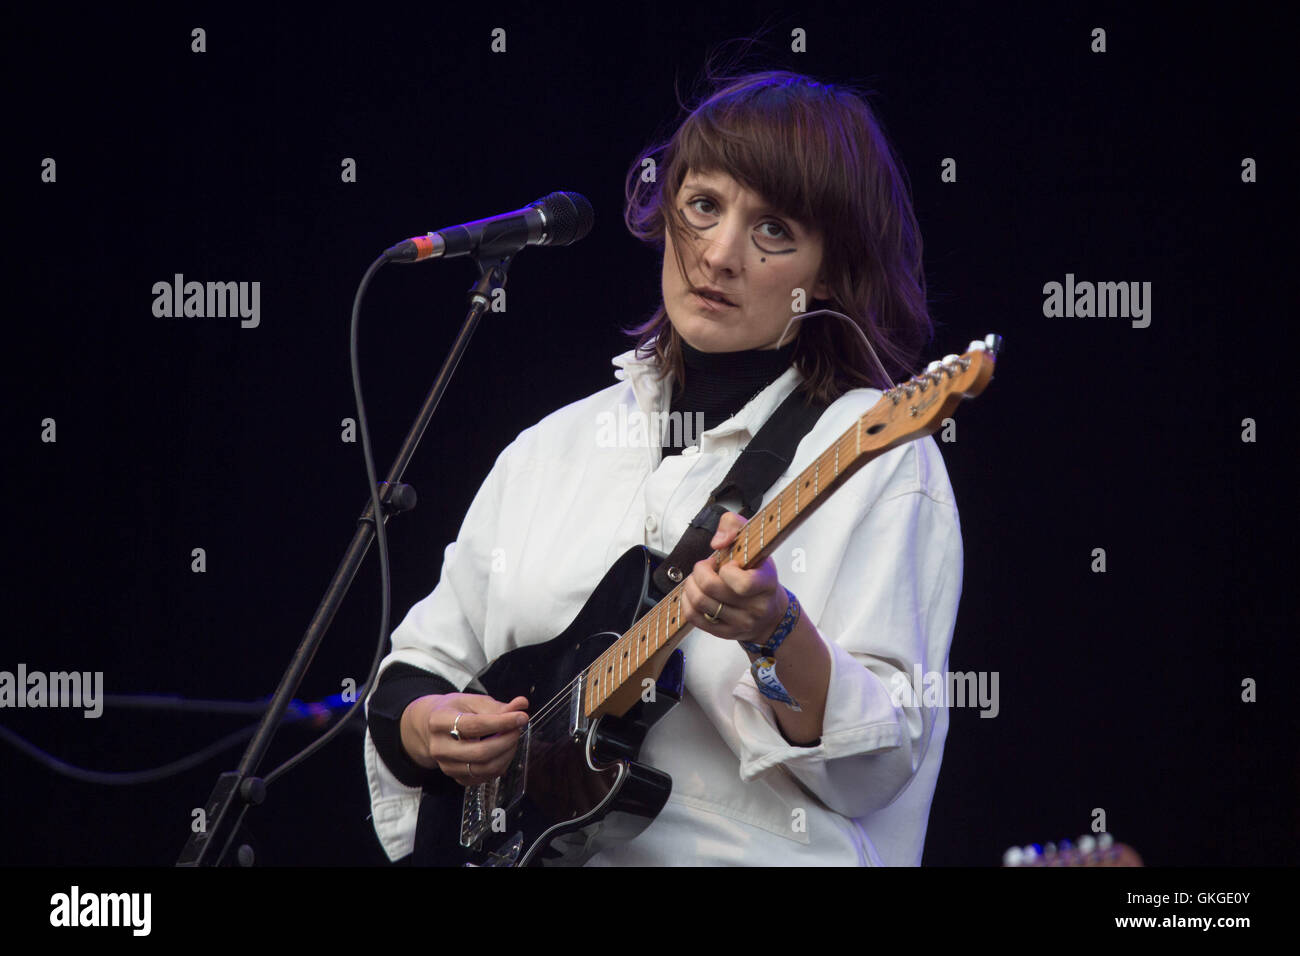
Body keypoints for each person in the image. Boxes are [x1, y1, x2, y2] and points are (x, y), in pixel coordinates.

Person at [363, 68, 963, 866]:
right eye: (704, 206)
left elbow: (878, 767)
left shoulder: (879, 452)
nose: (719, 254)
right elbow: (419, 667)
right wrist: (425, 728)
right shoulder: (553, 446)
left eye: (774, 230)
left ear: (831, 268)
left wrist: (776, 631)